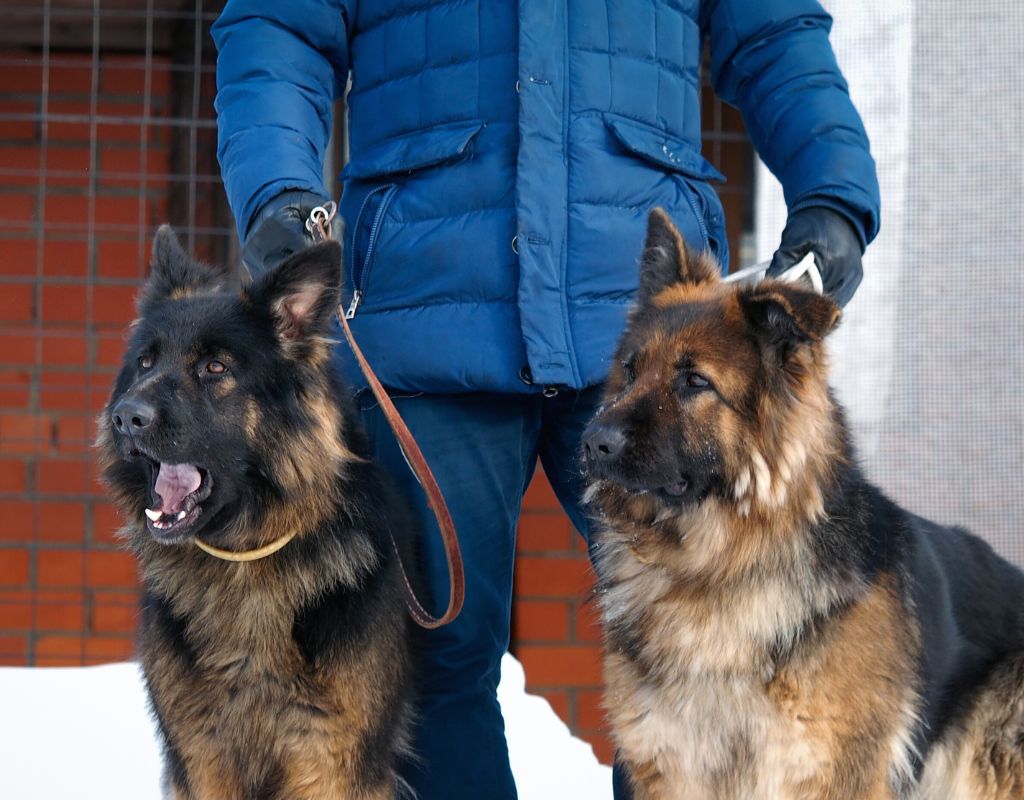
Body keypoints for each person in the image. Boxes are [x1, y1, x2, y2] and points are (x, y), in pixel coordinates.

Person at [211, 2, 878, 798]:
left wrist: (834, 197)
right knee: (431, 657)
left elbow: (772, 31)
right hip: (425, 317)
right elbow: (277, 25)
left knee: (706, 650)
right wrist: (279, 191)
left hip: (642, 331)